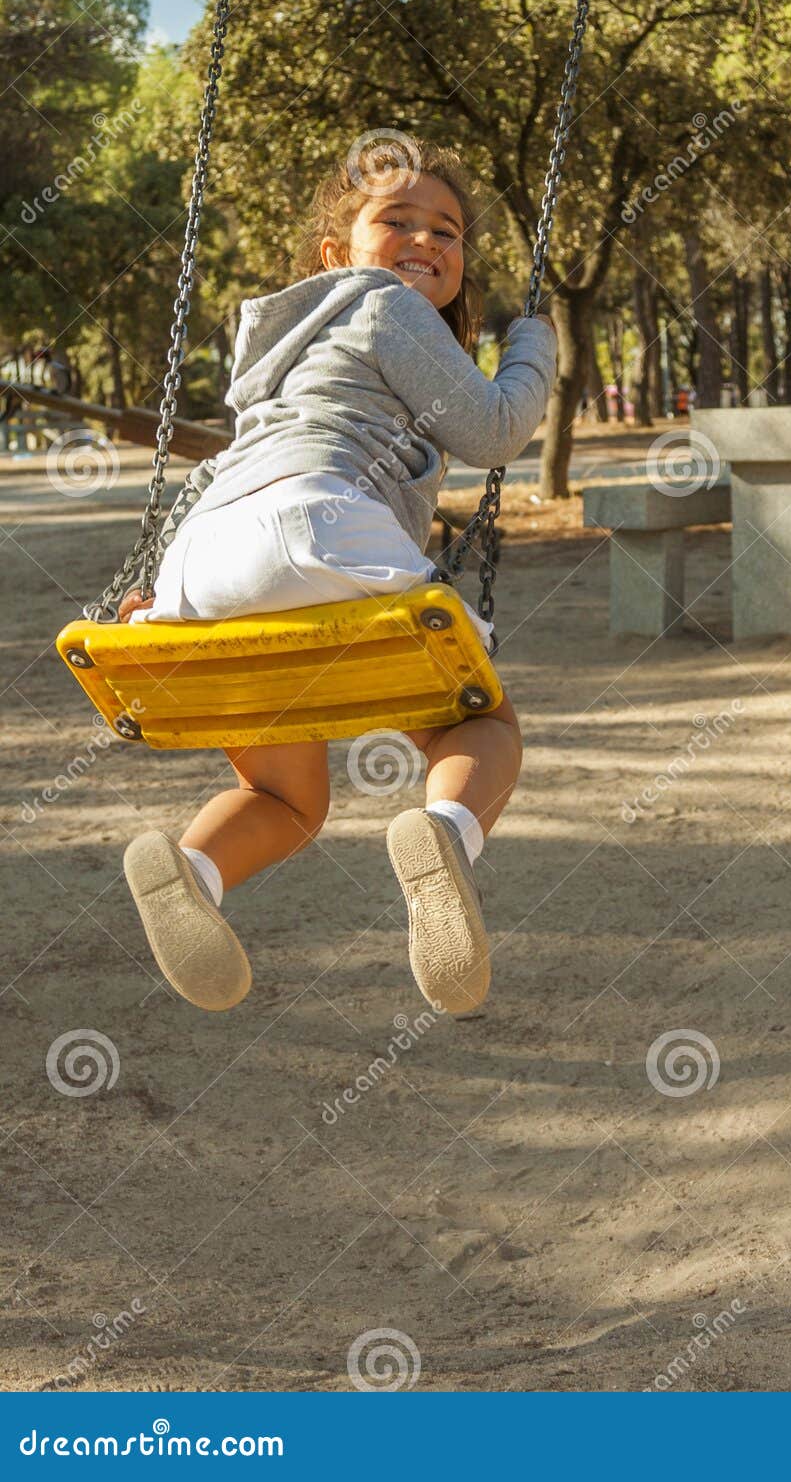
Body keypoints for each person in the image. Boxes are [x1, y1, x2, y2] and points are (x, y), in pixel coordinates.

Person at [118, 138, 556, 1020]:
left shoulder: (272, 364)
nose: (425, 240)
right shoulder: (385, 305)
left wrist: (150, 596)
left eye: (447, 230)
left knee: (283, 795)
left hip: (209, 557)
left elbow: (213, 475)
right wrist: (532, 342)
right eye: (396, 220)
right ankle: (442, 835)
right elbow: (499, 430)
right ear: (336, 254)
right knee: (480, 726)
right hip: (324, 522)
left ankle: (194, 872)